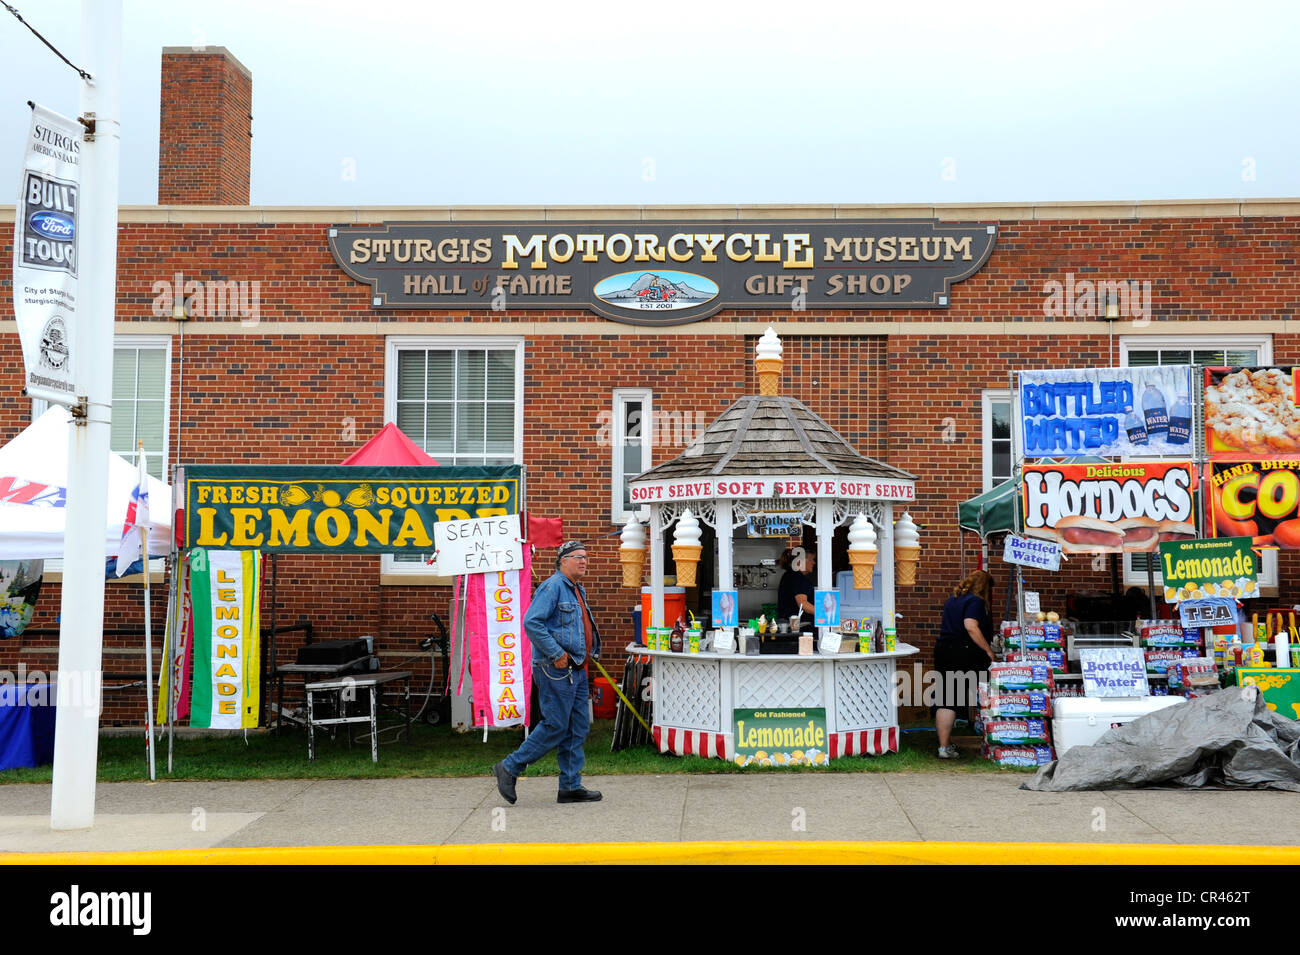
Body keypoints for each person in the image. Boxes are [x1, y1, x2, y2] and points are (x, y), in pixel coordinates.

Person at [493, 540, 603, 804]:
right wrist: (556, 654)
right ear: (562, 560)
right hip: (556, 669)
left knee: (577, 728)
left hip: (576, 668)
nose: (583, 561)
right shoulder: (552, 587)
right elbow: (532, 622)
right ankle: (510, 766)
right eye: (577, 557)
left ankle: (570, 786)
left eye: (585, 557)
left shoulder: (577, 589)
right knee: (555, 725)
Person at [933, 569, 995, 759]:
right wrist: (988, 650)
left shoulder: (954, 599)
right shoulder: (975, 601)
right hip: (962, 651)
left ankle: (944, 746)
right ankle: (993, 735)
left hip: (944, 649)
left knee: (946, 697)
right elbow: (970, 626)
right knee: (987, 688)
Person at [777, 546, 816, 626]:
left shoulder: (789, 575)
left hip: (788, 624)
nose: (813, 562)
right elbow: (803, 604)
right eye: (810, 559)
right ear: (799, 562)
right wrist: (824, 614)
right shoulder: (798, 577)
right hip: (798, 626)